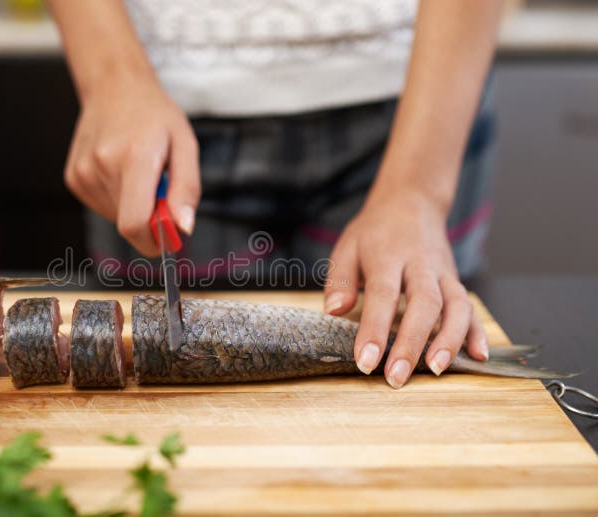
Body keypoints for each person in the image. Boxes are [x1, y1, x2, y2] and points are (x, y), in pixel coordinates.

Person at [47, 0, 504, 389]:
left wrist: (418, 189)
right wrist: (111, 77)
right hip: (157, 126)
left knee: (414, 337)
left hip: (422, 107)